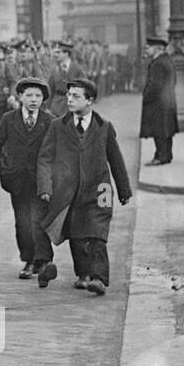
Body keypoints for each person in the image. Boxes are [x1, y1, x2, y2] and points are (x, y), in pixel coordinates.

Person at [37, 79, 132, 295]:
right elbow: (45, 158)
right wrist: (45, 187)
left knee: (98, 231)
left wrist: (124, 190)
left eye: (76, 96)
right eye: (69, 95)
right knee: (78, 234)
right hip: (70, 190)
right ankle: (83, 274)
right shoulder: (58, 126)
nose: (69, 99)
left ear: (90, 100)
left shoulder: (104, 126)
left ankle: (99, 278)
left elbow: (115, 159)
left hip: (100, 189)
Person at [0, 77, 56, 284]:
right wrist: (4, 168)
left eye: (38, 96)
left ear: (43, 100)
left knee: (39, 220)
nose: (33, 100)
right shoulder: (9, 119)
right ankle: (28, 259)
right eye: (29, 95)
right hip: (17, 179)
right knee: (22, 221)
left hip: (41, 179)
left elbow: (58, 149)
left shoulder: (50, 121)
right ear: (20, 97)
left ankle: (44, 261)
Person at [140, 35, 178, 164]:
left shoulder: (158, 63)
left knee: (159, 130)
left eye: (149, 47)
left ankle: (160, 157)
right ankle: (167, 155)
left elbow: (154, 85)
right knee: (167, 129)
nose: (147, 49)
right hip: (168, 101)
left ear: (157, 48)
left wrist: (146, 96)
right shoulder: (167, 60)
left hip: (158, 102)